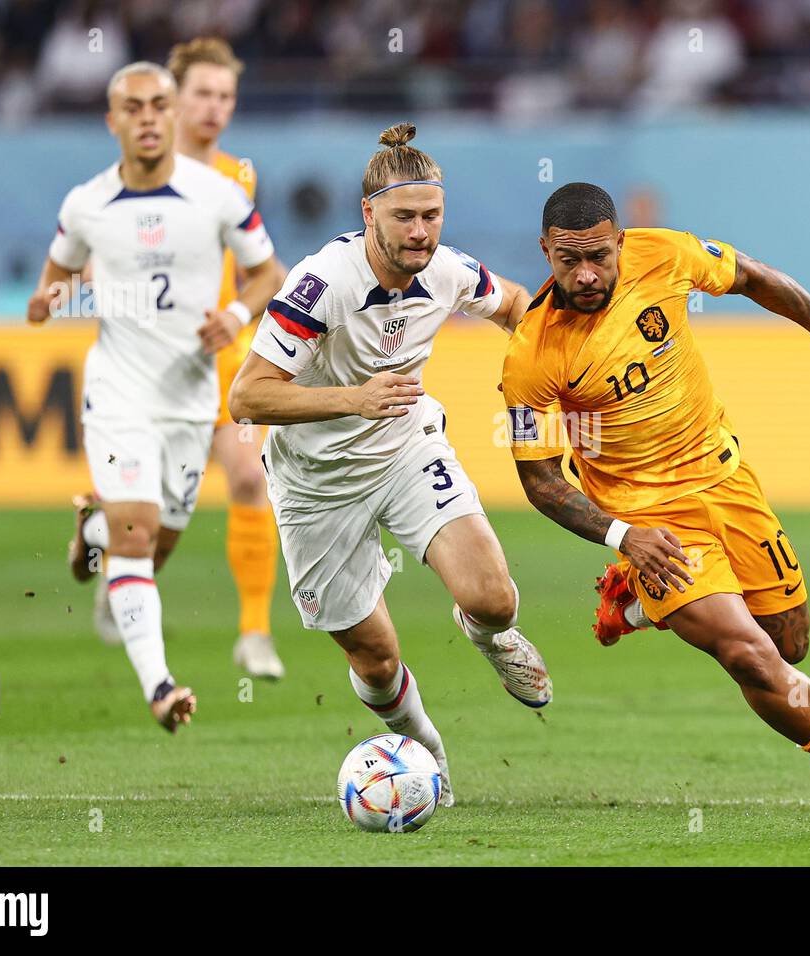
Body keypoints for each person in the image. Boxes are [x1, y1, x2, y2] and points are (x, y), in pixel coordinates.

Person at [501, 182, 810, 812]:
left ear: (619, 242)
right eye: (568, 261)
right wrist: (623, 536)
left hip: (725, 479)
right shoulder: (532, 354)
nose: (585, 275)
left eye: (599, 258)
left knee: (788, 645)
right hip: (649, 523)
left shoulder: (663, 254)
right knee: (748, 656)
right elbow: (540, 480)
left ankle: (632, 606)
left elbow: (749, 275)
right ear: (546, 251)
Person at [228, 124, 552, 804]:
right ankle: (426, 750)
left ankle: (486, 635)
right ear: (369, 213)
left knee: (493, 598)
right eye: (405, 216)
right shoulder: (321, 284)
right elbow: (246, 396)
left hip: (406, 450)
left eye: (432, 215)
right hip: (317, 488)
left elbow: (520, 306)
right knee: (375, 660)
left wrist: (555, 359)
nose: (421, 232)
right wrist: (356, 398)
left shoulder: (448, 271)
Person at [27, 61, 284, 732]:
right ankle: (161, 686)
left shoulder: (219, 195)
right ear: (113, 121)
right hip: (118, 389)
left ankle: (91, 531)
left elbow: (268, 274)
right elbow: (56, 273)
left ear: (172, 117)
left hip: (192, 399)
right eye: (132, 107)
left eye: (157, 106)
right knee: (137, 532)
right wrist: (50, 296)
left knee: (157, 542)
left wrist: (234, 315)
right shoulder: (86, 202)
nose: (146, 117)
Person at [168, 36, 287, 679]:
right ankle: (109, 567)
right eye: (203, 94)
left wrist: (238, 315)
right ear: (174, 98)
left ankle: (254, 631)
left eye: (225, 96)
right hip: (155, 361)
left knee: (249, 477)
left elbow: (266, 271)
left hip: (223, 354)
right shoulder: (141, 173)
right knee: (158, 509)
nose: (215, 108)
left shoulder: (237, 176)